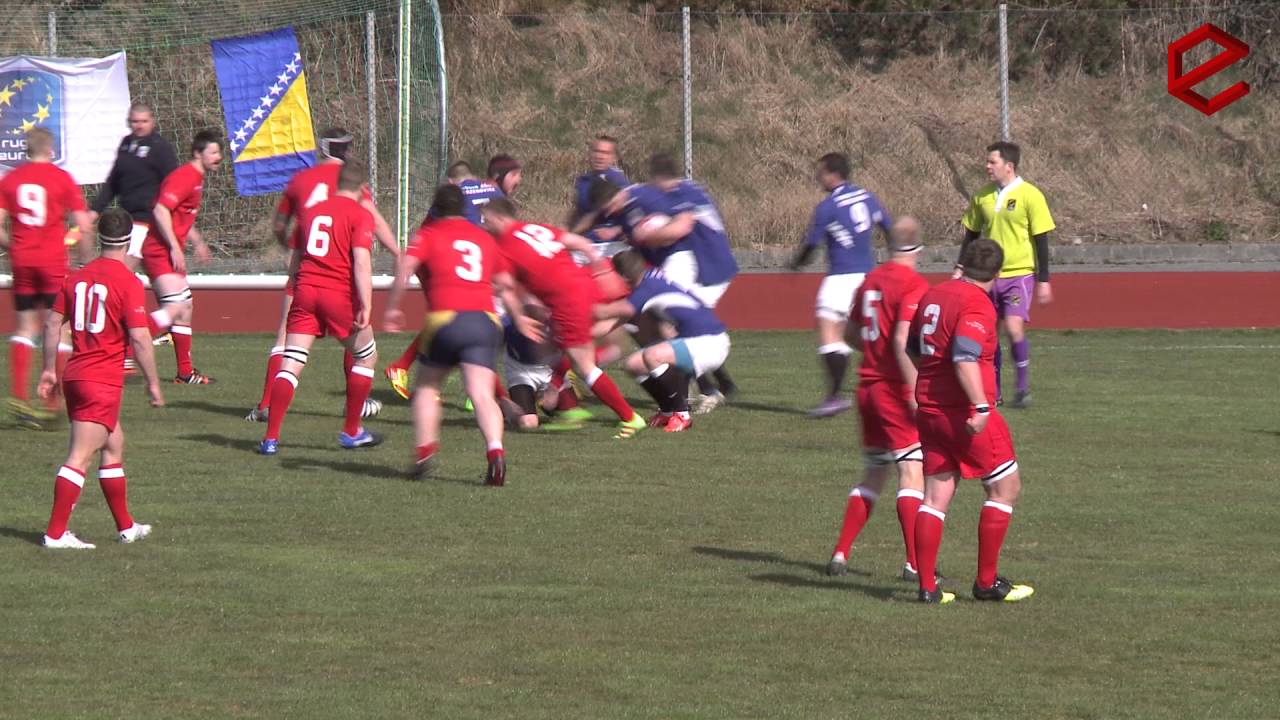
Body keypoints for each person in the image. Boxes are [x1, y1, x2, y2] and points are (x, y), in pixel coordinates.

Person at [908, 238, 1034, 605]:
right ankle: (986, 582)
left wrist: (934, 383)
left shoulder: (935, 294)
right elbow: (964, 356)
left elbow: (913, 348)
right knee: (1005, 487)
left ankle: (928, 588)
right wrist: (979, 407)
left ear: (962, 263)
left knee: (935, 497)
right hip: (964, 414)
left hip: (929, 410)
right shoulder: (977, 304)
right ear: (996, 274)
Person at [245, 128, 397, 422]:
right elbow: (373, 218)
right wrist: (397, 252)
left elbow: (279, 225)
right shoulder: (349, 181)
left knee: (286, 340)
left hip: (304, 269)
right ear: (347, 150)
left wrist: (287, 244)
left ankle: (266, 406)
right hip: (341, 273)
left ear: (322, 149)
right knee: (358, 337)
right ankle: (356, 407)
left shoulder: (301, 179)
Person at [382, 184, 530, 484]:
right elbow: (504, 284)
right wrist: (518, 317)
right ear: (466, 210)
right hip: (485, 321)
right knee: (481, 394)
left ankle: (424, 452)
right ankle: (495, 452)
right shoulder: (484, 238)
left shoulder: (429, 234)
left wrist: (393, 308)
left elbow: (405, 268)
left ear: (435, 211)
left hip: (446, 319)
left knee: (426, 387)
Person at [37, 208, 165, 549]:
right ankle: (55, 534)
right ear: (127, 242)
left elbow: (52, 324)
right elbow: (139, 338)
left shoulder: (77, 277)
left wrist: (49, 368)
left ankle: (126, 527)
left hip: (76, 375)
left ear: (101, 239)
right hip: (101, 380)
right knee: (79, 456)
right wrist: (153, 382)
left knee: (113, 445)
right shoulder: (127, 282)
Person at [481, 198, 647, 439]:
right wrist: (602, 272)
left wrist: (518, 318)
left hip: (566, 302)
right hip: (583, 285)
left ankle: (630, 418)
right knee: (550, 347)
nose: (485, 225)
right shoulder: (534, 228)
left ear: (498, 218)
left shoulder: (504, 246)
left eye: (486, 220)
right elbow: (582, 243)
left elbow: (505, 287)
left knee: (584, 367)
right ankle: (562, 396)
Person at [825, 218, 931, 581]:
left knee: (873, 473)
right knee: (912, 471)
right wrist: (916, 389)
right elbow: (903, 343)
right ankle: (914, 563)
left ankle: (840, 552)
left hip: (866, 389)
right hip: (893, 390)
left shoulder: (870, 279)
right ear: (918, 250)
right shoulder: (914, 285)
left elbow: (851, 332)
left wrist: (873, 347)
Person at [256, 163, 381, 455]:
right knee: (366, 356)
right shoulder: (360, 215)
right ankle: (351, 431)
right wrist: (367, 303)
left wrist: (297, 287)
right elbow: (361, 263)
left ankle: (271, 439)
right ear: (363, 188)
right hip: (337, 294)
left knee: (292, 362)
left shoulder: (312, 211)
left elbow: (297, 257)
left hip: (305, 291)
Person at [381, 159, 507, 400]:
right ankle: (489, 395)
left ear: (450, 182)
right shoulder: (493, 189)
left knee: (451, 321)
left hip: (445, 261)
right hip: (479, 264)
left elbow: (428, 230)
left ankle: (405, 368)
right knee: (464, 324)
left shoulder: (451, 198)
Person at [0, 127, 93, 426]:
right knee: (59, 328)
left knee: (26, 326)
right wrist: (85, 262)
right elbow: (83, 226)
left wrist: (13, 246)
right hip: (53, 262)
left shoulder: (11, 180)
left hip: (22, 262)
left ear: (25, 151)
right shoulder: (61, 179)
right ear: (50, 151)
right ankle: (53, 401)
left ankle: (19, 396)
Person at [790, 152, 891, 418]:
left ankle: (834, 397)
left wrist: (796, 264)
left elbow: (811, 245)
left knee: (829, 331)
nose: (818, 177)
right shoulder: (868, 198)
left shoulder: (827, 207)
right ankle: (892, 371)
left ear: (832, 174)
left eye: (820, 172)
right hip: (868, 277)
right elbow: (889, 229)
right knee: (856, 333)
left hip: (841, 277)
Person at [959, 141, 1056, 408]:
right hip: (987, 278)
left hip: (1019, 275)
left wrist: (1044, 280)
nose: (987, 166)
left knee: (1013, 328)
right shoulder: (982, 196)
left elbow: (1041, 239)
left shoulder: (1031, 195)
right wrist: (960, 267)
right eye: (988, 161)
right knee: (988, 334)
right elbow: (971, 235)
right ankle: (995, 393)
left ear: (1009, 166)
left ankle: (1022, 388)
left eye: (993, 162)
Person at [595, 249, 731, 433]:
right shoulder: (649, 281)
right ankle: (667, 411)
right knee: (633, 364)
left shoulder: (646, 288)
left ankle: (682, 415)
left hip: (708, 342)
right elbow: (613, 323)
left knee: (653, 355)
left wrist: (575, 308)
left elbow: (610, 312)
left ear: (623, 277)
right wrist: (572, 338)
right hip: (701, 340)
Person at [140, 129, 223, 384]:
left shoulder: (197, 178)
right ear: (198, 154)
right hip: (158, 251)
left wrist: (197, 242)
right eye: (214, 152)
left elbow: (179, 214)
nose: (218, 157)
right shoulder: (186, 176)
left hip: (167, 250)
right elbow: (161, 209)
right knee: (175, 308)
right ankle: (124, 342)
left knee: (185, 308)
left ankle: (185, 373)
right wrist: (175, 246)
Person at [90, 102, 179, 267]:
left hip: (148, 219)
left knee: (122, 267)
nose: (139, 126)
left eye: (144, 121)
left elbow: (174, 183)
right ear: (129, 122)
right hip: (127, 218)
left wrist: (170, 214)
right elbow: (113, 182)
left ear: (152, 122)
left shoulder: (160, 148)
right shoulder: (126, 144)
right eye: (135, 121)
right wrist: (95, 209)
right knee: (147, 270)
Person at [568, 135, 629, 254]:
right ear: (590, 153)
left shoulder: (618, 181)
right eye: (596, 151)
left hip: (610, 245)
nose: (600, 157)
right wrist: (564, 229)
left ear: (613, 158)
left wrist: (616, 231)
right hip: (585, 242)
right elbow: (578, 212)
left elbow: (631, 216)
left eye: (605, 153)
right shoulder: (583, 181)